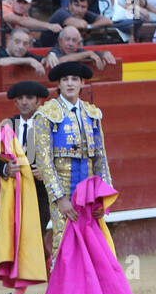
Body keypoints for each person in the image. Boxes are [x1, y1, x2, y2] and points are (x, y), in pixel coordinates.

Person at [32, 60, 112, 256]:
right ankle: (64, 287)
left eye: (74, 79)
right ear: (58, 84)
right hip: (64, 189)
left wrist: (103, 198)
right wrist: (59, 198)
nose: (69, 83)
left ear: (82, 83)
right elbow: (44, 162)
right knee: (64, 245)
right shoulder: (46, 114)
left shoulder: (92, 114)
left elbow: (101, 158)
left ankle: (90, 288)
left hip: (89, 192)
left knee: (93, 245)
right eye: (65, 80)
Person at [0, 80, 51, 294]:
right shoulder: (9, 125)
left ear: (38, 101)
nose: (25, 101)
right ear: (15, 101)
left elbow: (60, 153)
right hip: (19, 193)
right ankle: (51, 290)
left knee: (31, 238)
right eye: (21, 98)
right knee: (33, 240)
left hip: (44, 192)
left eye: (30, 98)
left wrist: (46, 172)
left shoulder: (49, 123)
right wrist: (6, 170)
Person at [0, 24, 48, 90]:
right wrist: (29, 61)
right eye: (17, 41)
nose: (21, 47)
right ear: (8, 41)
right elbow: (0, 62)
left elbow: (44, 60)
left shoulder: (28, 56)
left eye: (25, 43)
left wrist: (51, 55)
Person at [37, 0, 115, 46]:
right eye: (76, 5)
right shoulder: (61, 13)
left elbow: (108, 21)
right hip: (47, 49)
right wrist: (88, 27)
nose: (79, 10)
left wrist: (91, 26)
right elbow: (81, 24)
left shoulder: (84, 13)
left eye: (83, 7)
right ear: (69, 5)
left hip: (66, 48)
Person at [42, 23, 118, 69]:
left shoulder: (79, 51)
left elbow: (95, 53)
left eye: (74, 40)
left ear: (78, 44)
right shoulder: (54, 51)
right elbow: (60, 61)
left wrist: (104, 54)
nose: (70, 43)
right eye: (67, 39)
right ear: (60, 40)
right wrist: (88, 54)